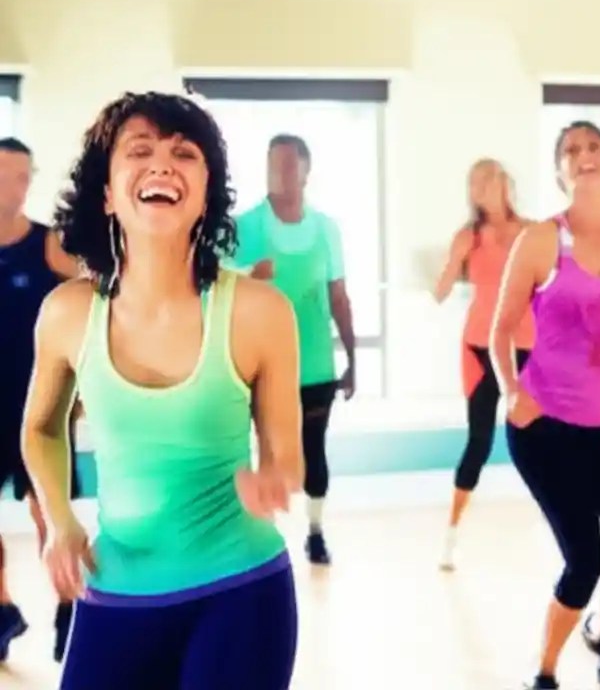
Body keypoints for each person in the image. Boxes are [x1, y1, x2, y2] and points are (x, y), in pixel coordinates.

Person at [22, 91, 302, 689]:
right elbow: (42, 426)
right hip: (117, 590)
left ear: (205, 192)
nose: (162, 165)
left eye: (184, 154)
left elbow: (286, 450)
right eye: (139, 151)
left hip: (242, 590)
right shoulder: (68, 314)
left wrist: (276, 475)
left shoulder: (258, 312)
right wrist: (60, 519)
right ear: (106, 190)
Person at [492, 120, 600, 690]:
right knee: (585, 560)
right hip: (546, 426)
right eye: (570, 150)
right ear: (559, 171)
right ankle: (542, 674)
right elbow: (500, 329)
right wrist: (512, 392)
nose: (583, 156)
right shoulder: (542, 240)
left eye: (594, 147)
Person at [230, 134, 355, 566]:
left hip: (315, 362)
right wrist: (247, 273)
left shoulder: (326, 229)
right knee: (264, 452)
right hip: (257, 365)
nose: (278, 173)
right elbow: (211, 285)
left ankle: (316, 532)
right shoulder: (245, 227)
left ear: (306, 170)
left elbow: (339, 296)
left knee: (312, 453)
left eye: (287, 165)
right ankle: (258, 539)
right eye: (271, 165)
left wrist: (353, 359)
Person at [431, 158, 534, 571]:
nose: (485, 187)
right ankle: (451, 534)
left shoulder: (532, 233)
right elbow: (439, 292)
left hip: (527, 345)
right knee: (479, 442)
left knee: (542, 437)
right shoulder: (468, 237)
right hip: (479, 347)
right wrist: (453, 259)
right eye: (477, 182)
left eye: (491, 178)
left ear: (507, 183)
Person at [0, 137, 81, 661]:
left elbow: (100, 306)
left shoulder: (52, 246)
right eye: (5, 174)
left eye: (22, 175)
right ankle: (2, 610)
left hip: (40, 407)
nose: (14, 185)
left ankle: (70, 612)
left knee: (52, 517)